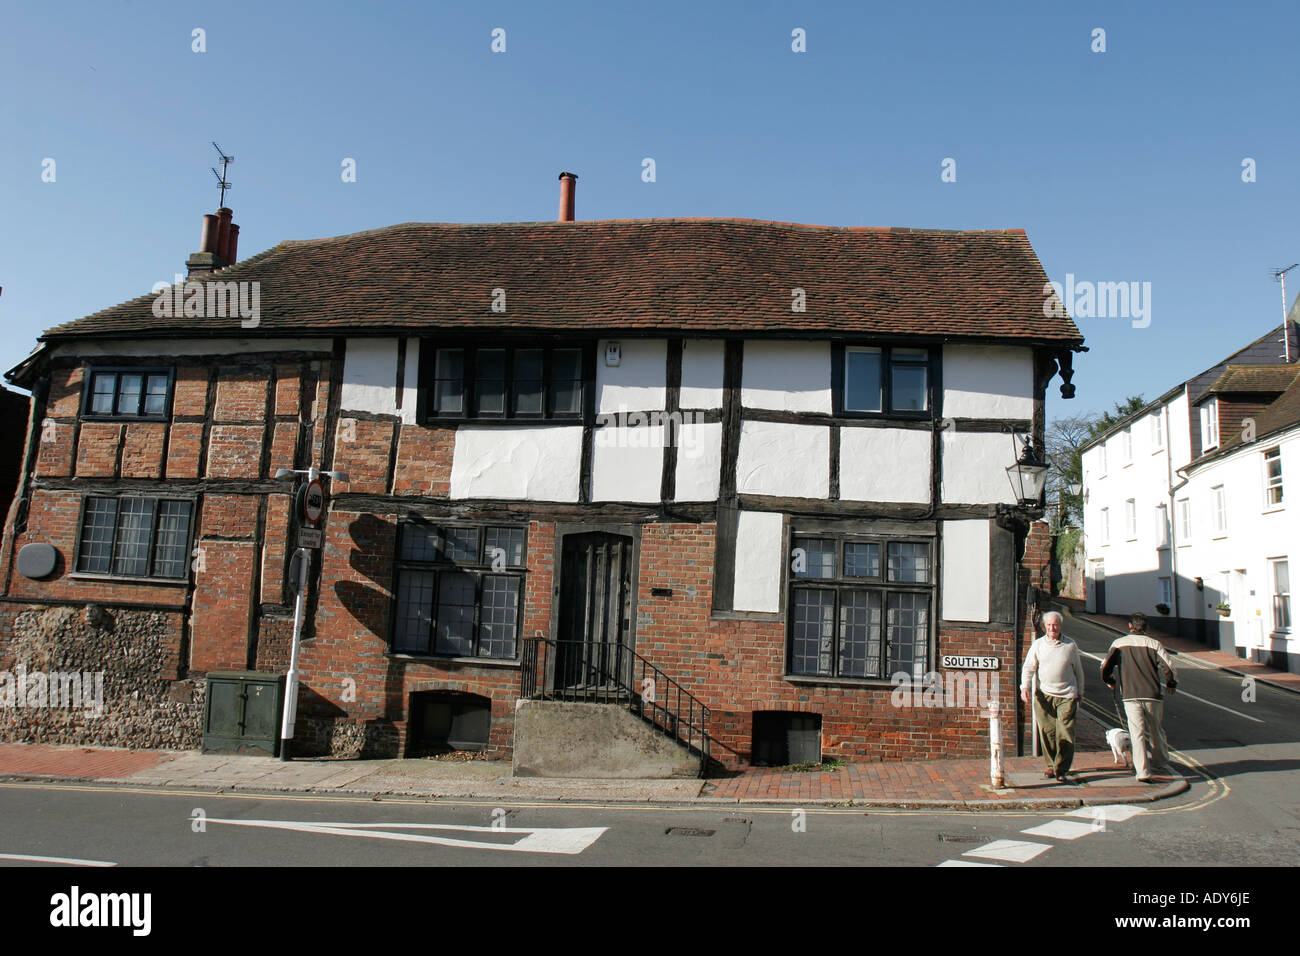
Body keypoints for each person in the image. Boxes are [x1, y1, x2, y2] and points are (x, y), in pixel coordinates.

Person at [1101, 612, 1178, 783]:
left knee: (1137, 733)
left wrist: (1110, 680)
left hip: (1130, 695)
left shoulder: (1119, 644)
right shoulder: (1154, 644)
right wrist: (1171, 684)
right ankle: (1160, 761)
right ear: (1146, 627)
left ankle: (1142, 771)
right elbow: (1169, 667)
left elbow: (1105, 666)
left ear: (1130, 626)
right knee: (1156, 729)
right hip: (1153, 694)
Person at [1020, 610, 1086, 782]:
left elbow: (1078, 671)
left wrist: (1081, 691)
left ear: (1060, 625)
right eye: (1049, 625)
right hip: (1044, 695)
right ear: (1044, 627)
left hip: (1067, 695)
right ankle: (1051, 765)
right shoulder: (1038, 645)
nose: (1052, 628)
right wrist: (1024, 687)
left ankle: (1061, 769)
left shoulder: (1070, 645)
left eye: (1055, 624)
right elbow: (1028, 668)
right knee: (1047, 732)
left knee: (1065, 732)